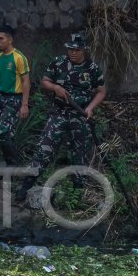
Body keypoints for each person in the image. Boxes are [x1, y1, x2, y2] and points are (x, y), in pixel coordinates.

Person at [17, 33, 106, 202]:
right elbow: (44, 81)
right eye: (70, 49)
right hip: (58, 113)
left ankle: (77, 194)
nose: (73, 53)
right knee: (44, 149)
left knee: (79, 154)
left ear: (84, 50)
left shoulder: (92, 68)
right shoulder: (58, 62)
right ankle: (26, 186)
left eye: (77, 50)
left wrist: (90, 108)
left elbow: (102, 91)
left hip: (79, 117)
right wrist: (55, 87)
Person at [0, 25, 31, 165]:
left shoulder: (19, 57)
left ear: (10, 40)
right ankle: (8, 163)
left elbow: (26, 81)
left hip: (15, 99)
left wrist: (24, 105)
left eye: (1, 38)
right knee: (7, 133)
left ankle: (13, 164)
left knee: (1, 131)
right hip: (1, 97)